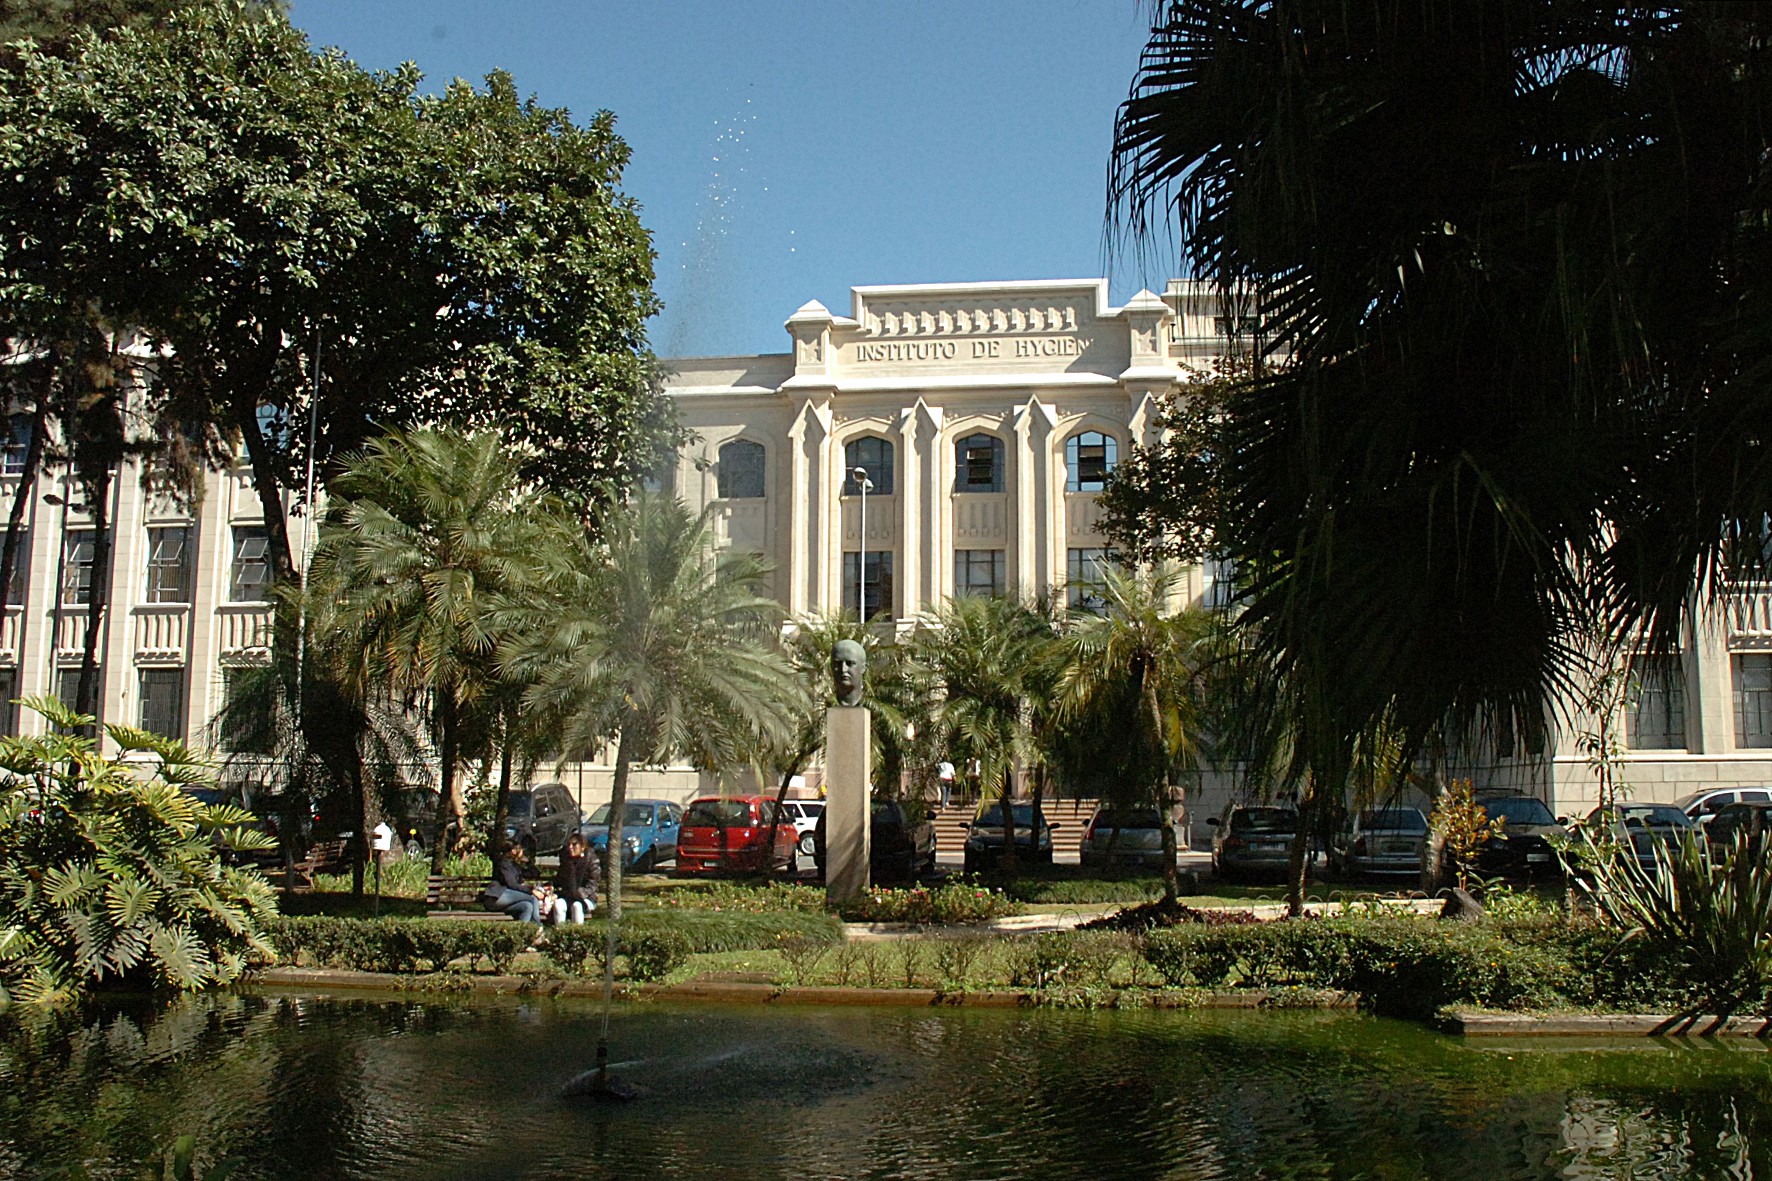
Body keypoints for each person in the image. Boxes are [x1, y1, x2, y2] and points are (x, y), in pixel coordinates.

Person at [478, 842, 540, 922]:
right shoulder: (503, 864)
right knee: (533, 899)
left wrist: (528, 862)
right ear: (513, 851)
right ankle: (538, 926)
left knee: (527, 906)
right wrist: (531, 891)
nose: (522, 851)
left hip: (507, 899)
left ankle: (523, 929)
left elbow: (534, 874)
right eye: (520, 849)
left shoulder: (514, 866)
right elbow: (512, 884)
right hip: (496, 897)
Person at [552, 832, 599, 924]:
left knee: (577, 906)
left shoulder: (592, 862)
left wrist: (577, 893)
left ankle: (576, 931)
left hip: (587, 897)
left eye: (574, 844)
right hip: (568, 896)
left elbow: (593, 885)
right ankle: (560, 930)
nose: (570, 847)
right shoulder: (566, 861)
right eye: (569, 844)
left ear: (582, 847)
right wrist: (553, 889)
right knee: (558, 904)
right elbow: (559, 881)